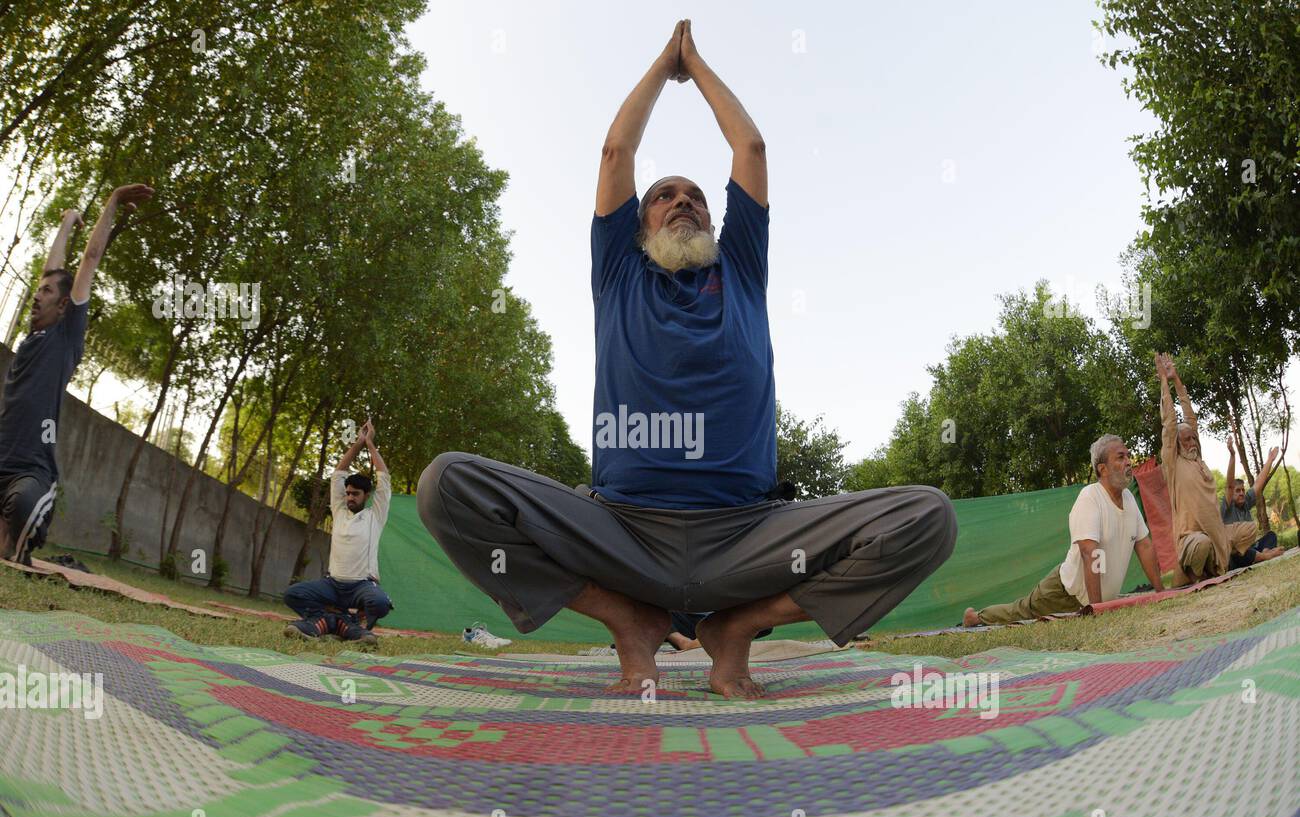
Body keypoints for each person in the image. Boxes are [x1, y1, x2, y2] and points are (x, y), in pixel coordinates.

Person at [418, 21, 956, 698]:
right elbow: (617, 149)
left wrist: (695, 65)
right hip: (620, 531)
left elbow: (750, 145)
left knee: (928, 517)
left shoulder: (741, 268)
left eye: (694, 196)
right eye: (663, 196)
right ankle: (629, 620)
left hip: (747, 536)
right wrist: (661, 62)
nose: (681, 201)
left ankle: (737, 630)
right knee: (447, 486)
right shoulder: (619, 272)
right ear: (638, 224)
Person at [0, 185, 153, 564]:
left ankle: (12, 535)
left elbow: (90, 258)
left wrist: (113, 200)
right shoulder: (32, 336)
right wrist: (67, 222)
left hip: (30, 472)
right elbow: (51, 268)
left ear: (65, 304)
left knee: (24, 507)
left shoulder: (65, 338)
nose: (37, 296)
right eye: (38, 290)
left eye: (47, 292)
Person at [963, 434, 1165, 626]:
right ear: (1103, 469)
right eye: (1121, 457)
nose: (1129, 461)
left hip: (1086, 598)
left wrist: (1161, 592)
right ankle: (975, 617)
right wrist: (1096, 609)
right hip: (1063, 592)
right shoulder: (1090, 497)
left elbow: (1144, 545)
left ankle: (977, 616)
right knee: (1022, 611)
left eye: (1128, 456)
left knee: (1022, 609)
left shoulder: (1128, 499)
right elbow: (1090, 553)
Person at [1156, 353, 1283, 583]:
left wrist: (1177, 380)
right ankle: (1195, 575)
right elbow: (1170, 424)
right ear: (1176, 444)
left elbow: (1190, 419)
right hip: (1192, 538)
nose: (1192, 442)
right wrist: (1165, 383)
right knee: (1202, 543)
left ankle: (1217, 564)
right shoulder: (1174, 463)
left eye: (1194, 439)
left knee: (1249, 529)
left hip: (1218, 534)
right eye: (1187, 440)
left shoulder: (1199, 461)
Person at [283, 418, 393, 647]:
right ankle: (331, 623)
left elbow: (385, 479)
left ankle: (349, 625)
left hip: (361, 586)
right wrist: (357, 443)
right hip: (332, 585)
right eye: (348, 493)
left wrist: (370, 443)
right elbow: (338, 474)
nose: (350, 497)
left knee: (380, 602)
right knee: (293, 594)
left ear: (366, 496)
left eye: (355, 494)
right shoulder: (339, 512)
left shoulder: (375, 516)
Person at [1221, 435, 1280, 565]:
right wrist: (1232, 456)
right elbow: (1229, 485)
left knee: (1271, 536)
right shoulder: (1227, 506)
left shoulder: (1246, 502)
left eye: (1243, 490)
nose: (1242, 493)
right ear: (1232, 493)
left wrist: (1270, 460)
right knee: (1239, 553)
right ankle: (1265, 556)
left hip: (1251, 549)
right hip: (1237, 554)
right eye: (1238, 491)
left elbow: (1258, 483)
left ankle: (1263, 554)